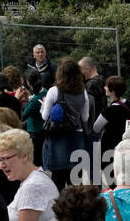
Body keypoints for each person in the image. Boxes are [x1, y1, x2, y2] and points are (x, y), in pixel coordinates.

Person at [39, 59, 91, 189]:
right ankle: (75, 207)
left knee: (58, 180)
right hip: (77, 138)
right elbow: (85, 117)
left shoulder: (54, 91)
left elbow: (45, 116)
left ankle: (60, 208)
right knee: (75, 181)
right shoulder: (83, 92)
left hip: (58, 139)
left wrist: (44, 105)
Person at [18, 68, 48, 166]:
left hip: (35, 132)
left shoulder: (34, 100)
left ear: (28, 83)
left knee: (36, 161)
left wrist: (18, 99)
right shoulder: (45, 91)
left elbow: (22, 116)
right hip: (43, 130)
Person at [95, 75, 130, 156]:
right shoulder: (129, 104)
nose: (104, 87)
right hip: (126, 144)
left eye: (107, 86)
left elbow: (96, 128)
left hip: (110, 147)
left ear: (113, 91)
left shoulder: (109, 110)